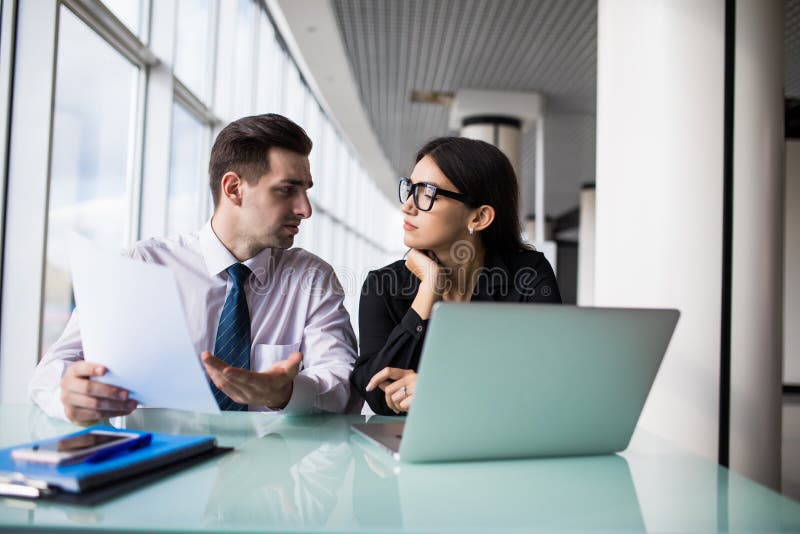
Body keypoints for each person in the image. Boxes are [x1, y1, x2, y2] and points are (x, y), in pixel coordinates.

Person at [30, 114, 357, 424]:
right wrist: (69, 393)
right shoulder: (141, 266)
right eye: (287, 190)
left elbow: (342, 383)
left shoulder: (311, 278)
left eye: (306, 190)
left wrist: (286, 393)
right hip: (158, 467)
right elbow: (49, 373)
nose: (305, 209)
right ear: (233, 189)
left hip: (269, 473)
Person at [350, 136, 562, 415]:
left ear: (478, 218)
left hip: (505, 441)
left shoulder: (528, 274)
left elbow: (548, 380)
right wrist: (429, 289)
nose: (408, 206)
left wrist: (439, 389)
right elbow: (376, 395)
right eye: (411, 189)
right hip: (411, 445)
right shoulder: (382, 285)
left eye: (427, 193)